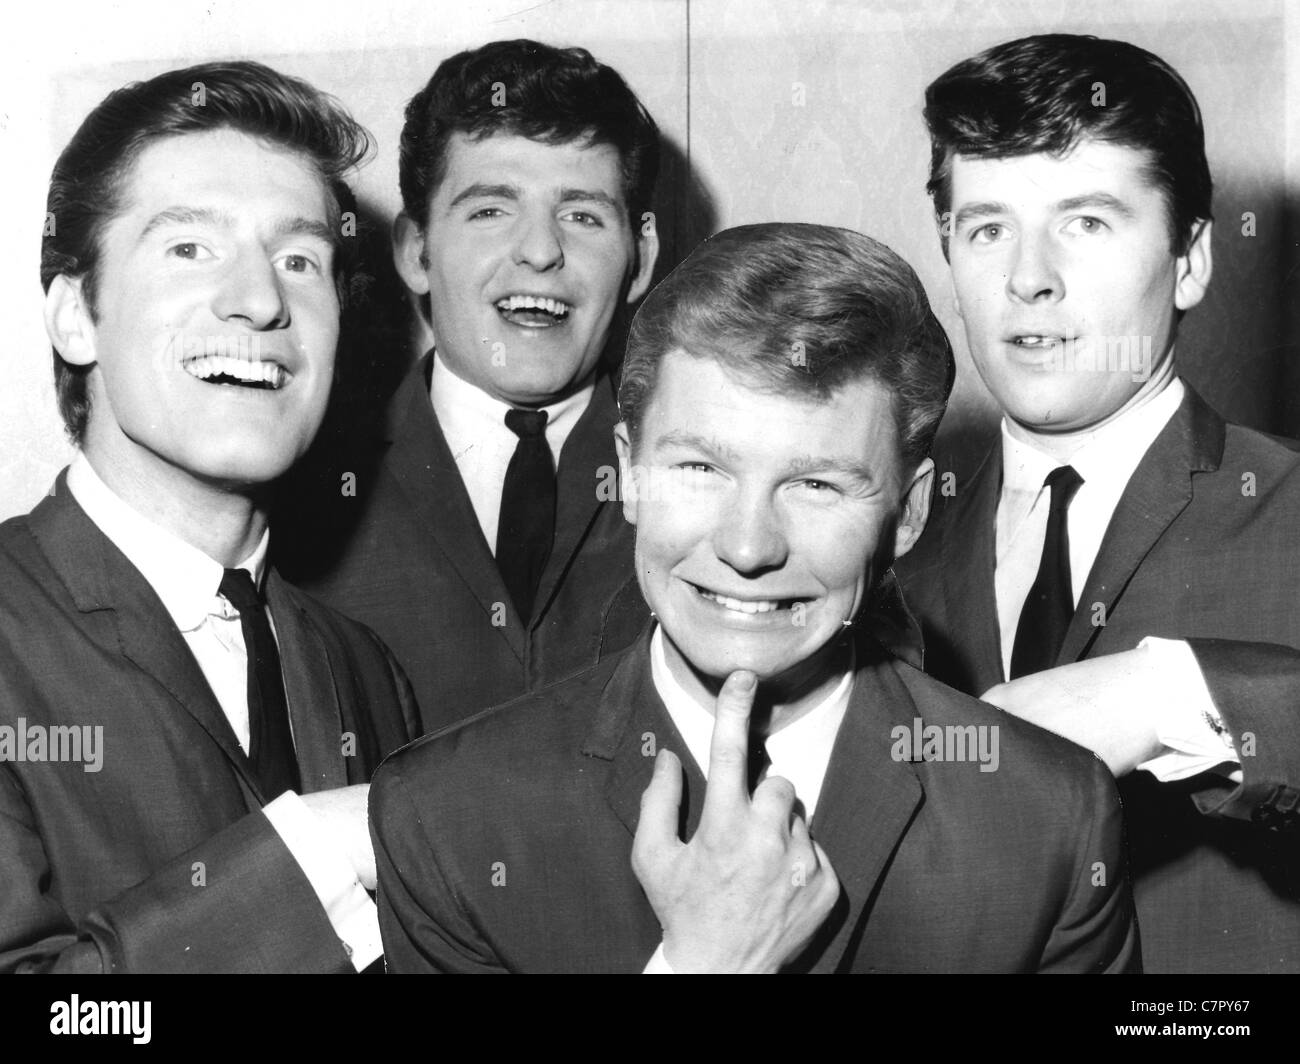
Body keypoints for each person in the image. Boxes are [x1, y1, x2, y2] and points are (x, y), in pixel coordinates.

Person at [370, 223, 1139, 973]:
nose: (746, 547)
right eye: (701, 470)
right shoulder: (446, 819)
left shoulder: (1048, 819)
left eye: (815, 484)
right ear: (629, 474)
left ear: (907, 513)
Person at [0, 61, 418, 973]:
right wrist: (319, 853)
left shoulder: (364, 669)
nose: (262, 300)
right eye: (191, 247)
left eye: (300, 259)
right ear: (76, 316)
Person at [896, 33, 1300, 973]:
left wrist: (1166, 697)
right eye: (988, 227)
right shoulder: (887, 556)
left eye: (1086, 221)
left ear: (1192, 260)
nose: (1029, 278)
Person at [276, 39, 660, 732]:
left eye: (582, 215)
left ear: (640, 262)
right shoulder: (296, 489)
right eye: (490, 210)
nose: (541, 251)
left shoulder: (708, 483)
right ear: (415, 251)